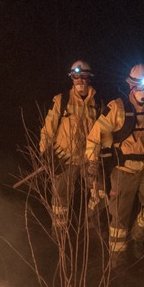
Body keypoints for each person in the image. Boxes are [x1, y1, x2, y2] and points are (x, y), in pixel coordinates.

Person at [85, 62, 144, 268]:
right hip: (123, 170)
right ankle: (117, 260)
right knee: (119, 218)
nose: (143, 91)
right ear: (131, 86)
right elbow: (95, 137)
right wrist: (92, 162)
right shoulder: (117, 108)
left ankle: (138, 236)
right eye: (139, 86)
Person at [37, 60, 99, 240]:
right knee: (60, 200)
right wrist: (46, 155)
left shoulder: (98, 103)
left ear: (89, 78)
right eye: (75, 76)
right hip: (64, 159)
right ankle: (59, 236)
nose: (79, 80)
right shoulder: (61, 100)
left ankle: (91, 230)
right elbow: (48, 129)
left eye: (83, 76)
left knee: (99, 194)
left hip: (88, 159)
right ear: (71, 78)